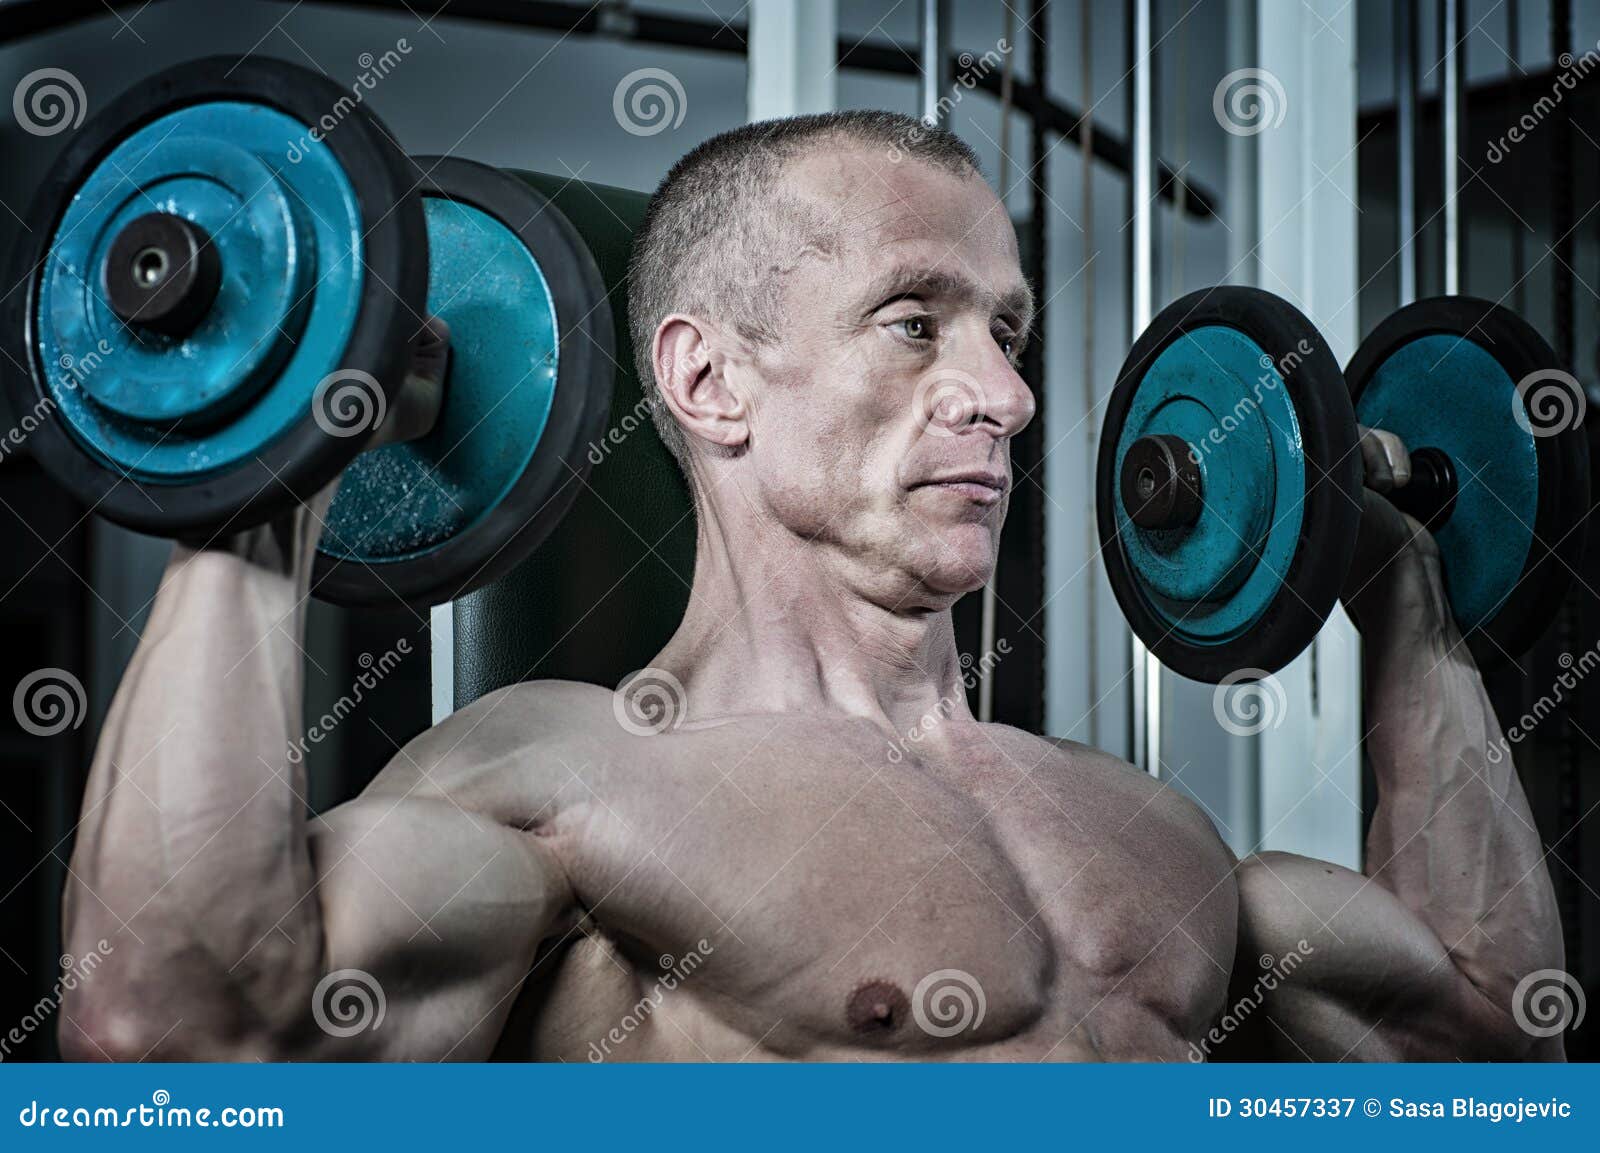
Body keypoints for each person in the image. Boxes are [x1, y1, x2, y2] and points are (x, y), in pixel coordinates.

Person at [60, 111, 1562, 1061]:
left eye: (1009, 333)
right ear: (708, 379)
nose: (1007, 398)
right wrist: (264, 463)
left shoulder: (1154, 831)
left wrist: (1407, 586)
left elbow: (1503, 1044)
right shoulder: (573, 778)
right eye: (916, 322)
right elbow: (169, 1042)